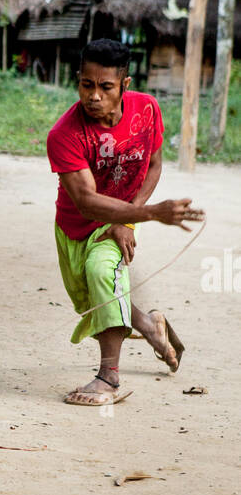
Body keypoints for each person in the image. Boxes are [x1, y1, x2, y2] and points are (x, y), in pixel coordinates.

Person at [47, 38, 203, 406]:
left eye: (105, 87)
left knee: (103, 274)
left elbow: (153, 164)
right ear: (78, 81)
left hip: (122, 214)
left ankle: (108, 378)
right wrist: (150, 213)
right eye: (87, 85)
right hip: (74, 224)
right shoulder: (65, 134)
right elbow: (86, 202)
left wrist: (129, 218)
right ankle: (150, 325)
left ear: (124, 85)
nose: (94, 96)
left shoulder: (147, 110)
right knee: (90, 297)